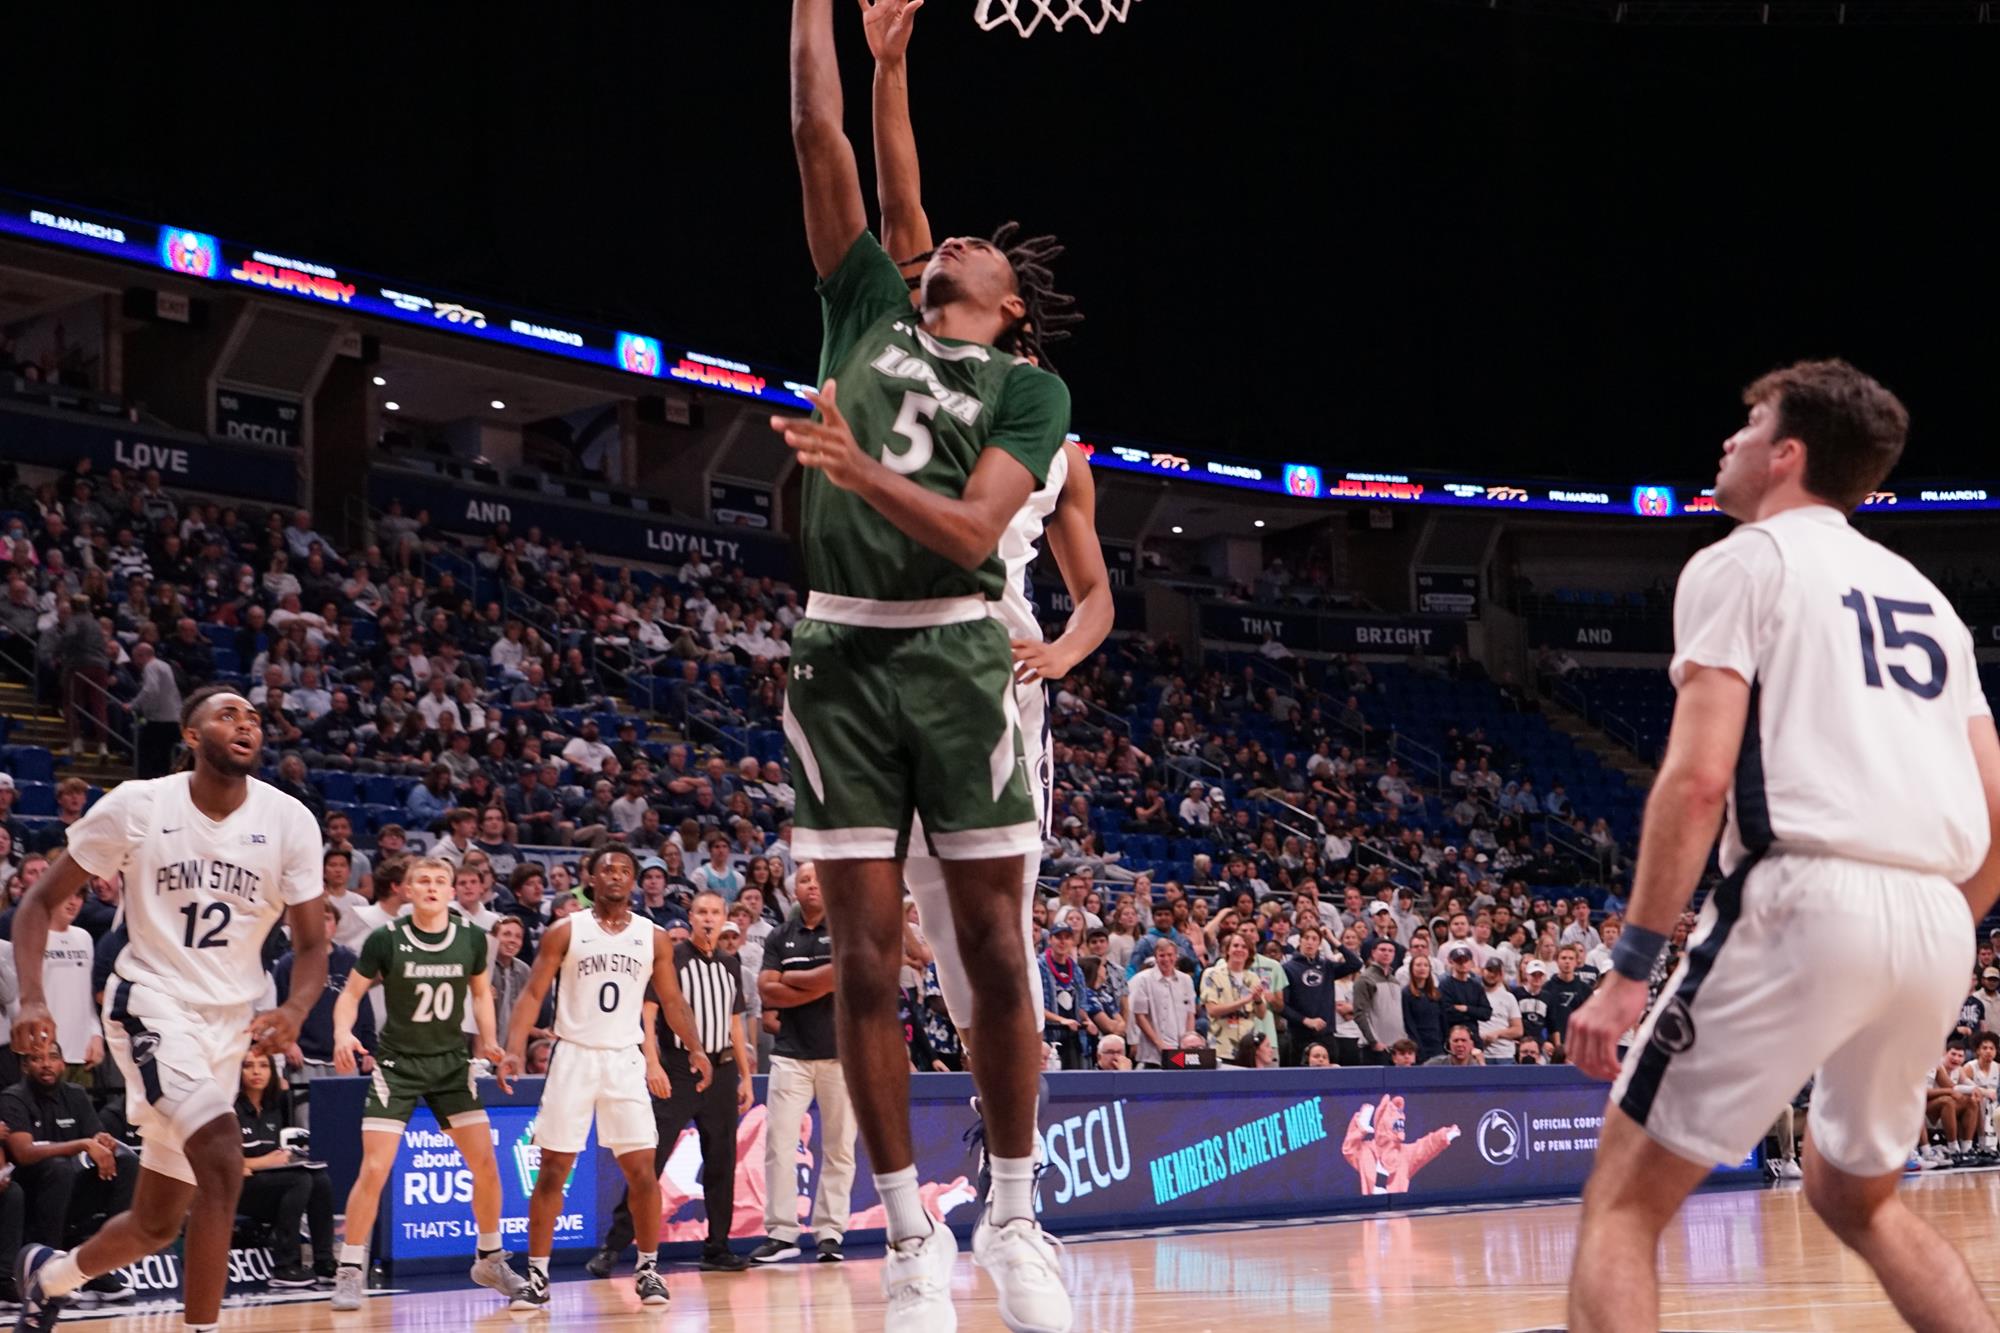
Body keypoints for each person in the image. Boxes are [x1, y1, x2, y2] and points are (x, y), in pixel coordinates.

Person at [1565, 360, 2000, 1332]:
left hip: (1804, 889)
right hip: (1937, 913)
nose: (1728, 441)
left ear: (1786, 453)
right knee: (1858, 1196)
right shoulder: (1927, 601)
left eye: (1747, 423)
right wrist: (1919, 931)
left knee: (1622, 1202)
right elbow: (1993, 805)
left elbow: (1696, 778)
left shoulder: (1741, 560)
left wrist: (1628, 968)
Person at [781, 0, 1079, 1325]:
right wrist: (842, 28)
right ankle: (907, 1238)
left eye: (965, 249)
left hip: (962, 654)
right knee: (861, 961)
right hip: (841, 646)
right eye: (935, 238)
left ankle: (1015, 1216)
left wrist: (850, 467)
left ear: (1006, 307)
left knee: (995, 957)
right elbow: (821, 134)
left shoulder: (1027, 395)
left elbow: (969, 533)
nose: (941, 237)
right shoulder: (866, 310)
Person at [7, 683, 328, 1333]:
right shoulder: (138, 805)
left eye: (255, 717)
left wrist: (295, 1005)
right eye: (228, 713)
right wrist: (32, 996)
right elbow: (39, 901)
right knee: (220, 1155)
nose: (247, 723)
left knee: (156, 1222)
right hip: (149, 1000)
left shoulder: (290, 820)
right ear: (191, 734)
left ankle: (50, 1276)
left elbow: (315, 942)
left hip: (228, 1024)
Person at [503, 846, 712, 1311]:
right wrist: (515, 1049)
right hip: (574, 1055)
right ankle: (537, 1275)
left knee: (643, 1171)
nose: (616, 876)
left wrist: (695, 1047)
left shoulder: (653, 937)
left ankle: (648, 1269)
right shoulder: (565, 930)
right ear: (590, 879)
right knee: (553, 1170)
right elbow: (534, 991)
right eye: (607, 870)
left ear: (634, 881)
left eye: (625, 870)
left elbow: (673, 1001)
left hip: (624, 1058)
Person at [326, 857, 524, 1311]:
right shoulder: (385, 939)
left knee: (487, 1165)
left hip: (452, 1064)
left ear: (453, 891)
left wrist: (491, 1043)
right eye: (423, 881)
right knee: (375, 1168)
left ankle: (490, 1259)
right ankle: (350, 1269)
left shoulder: (473, 938)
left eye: (440, 881)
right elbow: (351, 994)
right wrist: (342, 1031)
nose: (432, 888)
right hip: (397, 1063)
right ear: (407, 891)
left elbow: (479, 992)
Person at [586, 890, 755, 1279]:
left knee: (721, 1164)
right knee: (651, 1160)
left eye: (715, 912)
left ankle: (717, 1247)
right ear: (690, 917)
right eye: (701, 912)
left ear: (726, 917)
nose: (708, 918)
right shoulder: (672, 958)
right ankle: (613, 1247)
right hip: (678, 1068)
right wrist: (652, 1063)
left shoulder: (731, 964)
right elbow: (648, 1015)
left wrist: (746, 1076)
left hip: (724, 1068)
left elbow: (735, 1023)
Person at [751, 863, 857, 1265]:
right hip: (790, 1054)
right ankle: (782, 1234)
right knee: (779, 1145)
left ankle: (830, 1232)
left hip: (840, 1053)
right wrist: (822, 982)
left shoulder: (846, 929)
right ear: (794, 889)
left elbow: (839, 978)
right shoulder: (779, 935)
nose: (813, 885)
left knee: (839, 1147)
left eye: (819, 879)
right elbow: (765, 990)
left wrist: (791, 983)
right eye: (805, 880)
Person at [0, 1047, 136, 1304]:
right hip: (31, 1191)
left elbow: (95, 1138)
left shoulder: (75, 1095)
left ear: (63, 1063)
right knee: (58, 1168)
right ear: (25, 1067)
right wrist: (83, 1145)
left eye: (52, 1057)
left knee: (126, 1164)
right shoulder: (14, 1098)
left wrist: (103, 1143)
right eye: (36, 1059)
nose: (46, 1064)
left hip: (68, 1193)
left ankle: (98, 1264)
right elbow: (24, 1153)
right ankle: (45, 1267)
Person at [233, 1051, 335, 1287]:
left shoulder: (274, 1108)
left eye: (263, 1066)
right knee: (299, 1180)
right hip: (237, 1190)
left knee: (319, 1178)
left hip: (268, 1183)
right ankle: (285, 1266)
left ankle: (324, 1263)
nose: (256, 1072)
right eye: (248, 1066)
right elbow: (223, 1163)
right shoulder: (230, 1110)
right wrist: (265, 1162)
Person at [1126, 939, 1196, 1068]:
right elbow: (1139, 1017)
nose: (1166, 959)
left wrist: (1189, 1042)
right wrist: (1159, 1044)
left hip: (1181, 1050)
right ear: (1156, 957)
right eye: (1162, 955)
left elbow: (1190, 1013)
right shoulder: (1142, 979)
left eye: (1170, 955)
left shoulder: (1186, 980)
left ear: (1176, 956)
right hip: (1152, 1053)